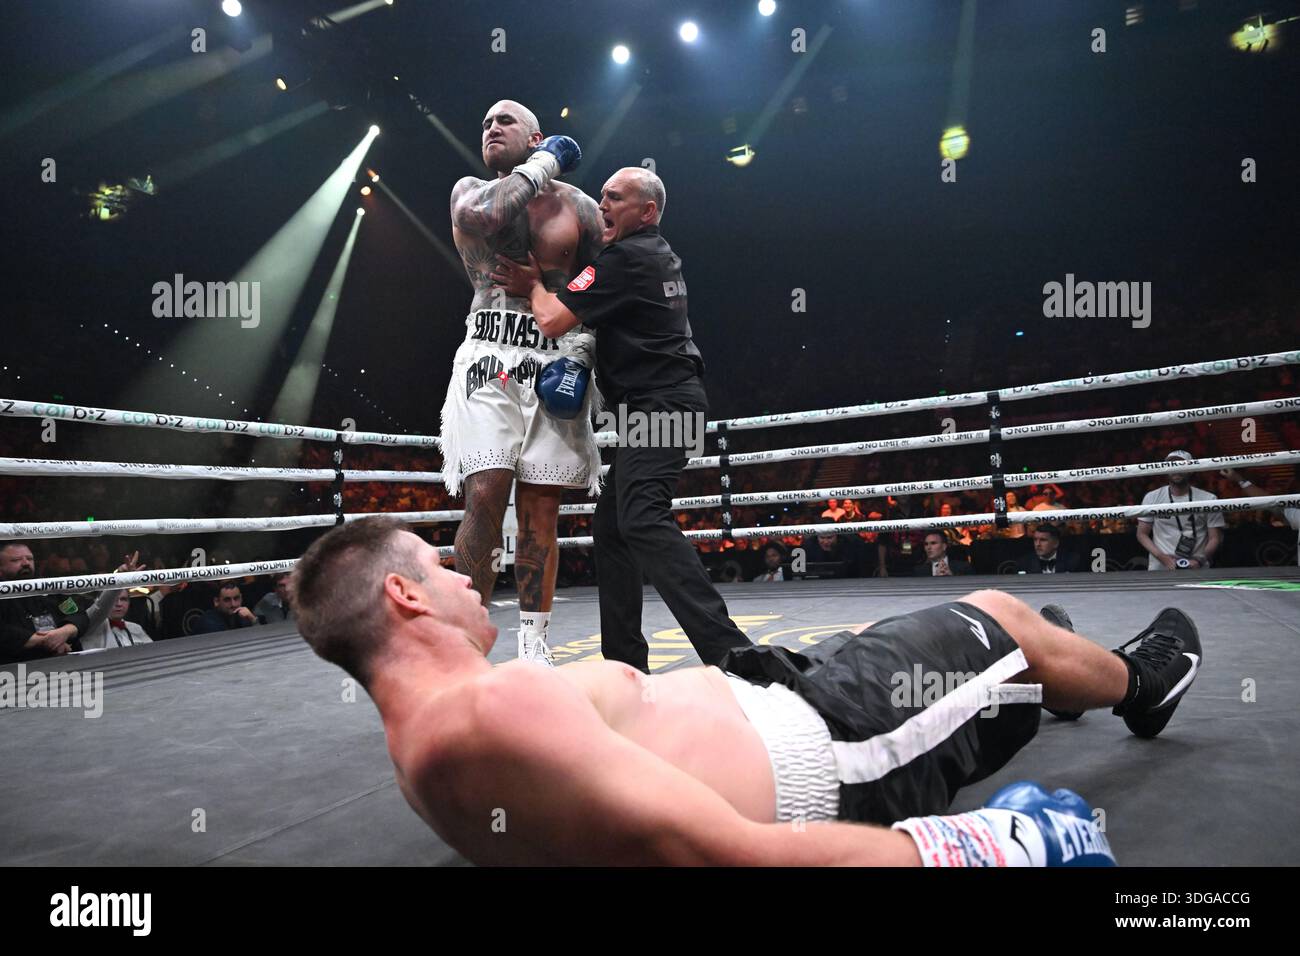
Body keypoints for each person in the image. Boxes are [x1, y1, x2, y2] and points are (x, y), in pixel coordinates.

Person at [291, 518, 1206, 866]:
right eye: (441, 566)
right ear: (405, 595)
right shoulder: (490, 710)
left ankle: (1044, 674)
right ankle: (1142, 684)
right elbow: (727, 854)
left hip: (794, 699)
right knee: (999, 615)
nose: (466, 575)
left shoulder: (419, 758)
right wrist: (972, 852)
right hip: (835, 744)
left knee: (975, 652)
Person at [492, 166, 751, 671]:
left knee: (642, 518)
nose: (603, 205)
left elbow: (552, 320)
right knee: (612, 528)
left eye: (615, 198)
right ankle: (625, 663)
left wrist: (534, 284)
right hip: (658, 406)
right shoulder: (655, 253)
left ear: (647, 211)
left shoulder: (625, 258)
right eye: (602, 196)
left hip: (663, 405)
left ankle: (732, 654)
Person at [439, 99, 606, 665]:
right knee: (485, 493)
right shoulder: (470, 192)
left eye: (504, 121)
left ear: (535, 136)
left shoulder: (580, 208)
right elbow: (488, 217)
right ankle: (466, 645)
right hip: (488, 356)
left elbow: (604, 279)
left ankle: (534, 644)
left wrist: (581, 350)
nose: (490, 128)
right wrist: (544, 163)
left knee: (540, 508)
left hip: (553, 354)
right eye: (485, 122)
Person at [1136, 450, 1224, 570]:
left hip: (1197, 566)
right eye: (1172, 465)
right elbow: (1142, 534)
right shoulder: (1152, 497)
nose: (1176, 469)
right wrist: (1163, 558)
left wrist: (1199, 560)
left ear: (1191, 469)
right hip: (1161, 566)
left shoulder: (1209, 498)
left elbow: (1215, 538)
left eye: (1181, 464)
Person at [80, 592, 153, 650]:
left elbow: (151, 650)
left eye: (123, 599)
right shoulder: (91, 626)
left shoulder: (136, 627)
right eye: (113, 599)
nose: (119, 604)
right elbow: (99, 608)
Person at [191, 584, 263, 633]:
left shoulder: (243, 616)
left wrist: (253, 619)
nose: (233, 604)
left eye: (236, 598)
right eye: (227, 600)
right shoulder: (208, 623)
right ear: (216, 601)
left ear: (241, 598)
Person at [1015, 525, 1081, 574]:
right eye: (1035, 540)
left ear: (1056, 543)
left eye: (1043, 540)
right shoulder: (1024, 563)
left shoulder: (1072, 560)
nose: (1037, 544)